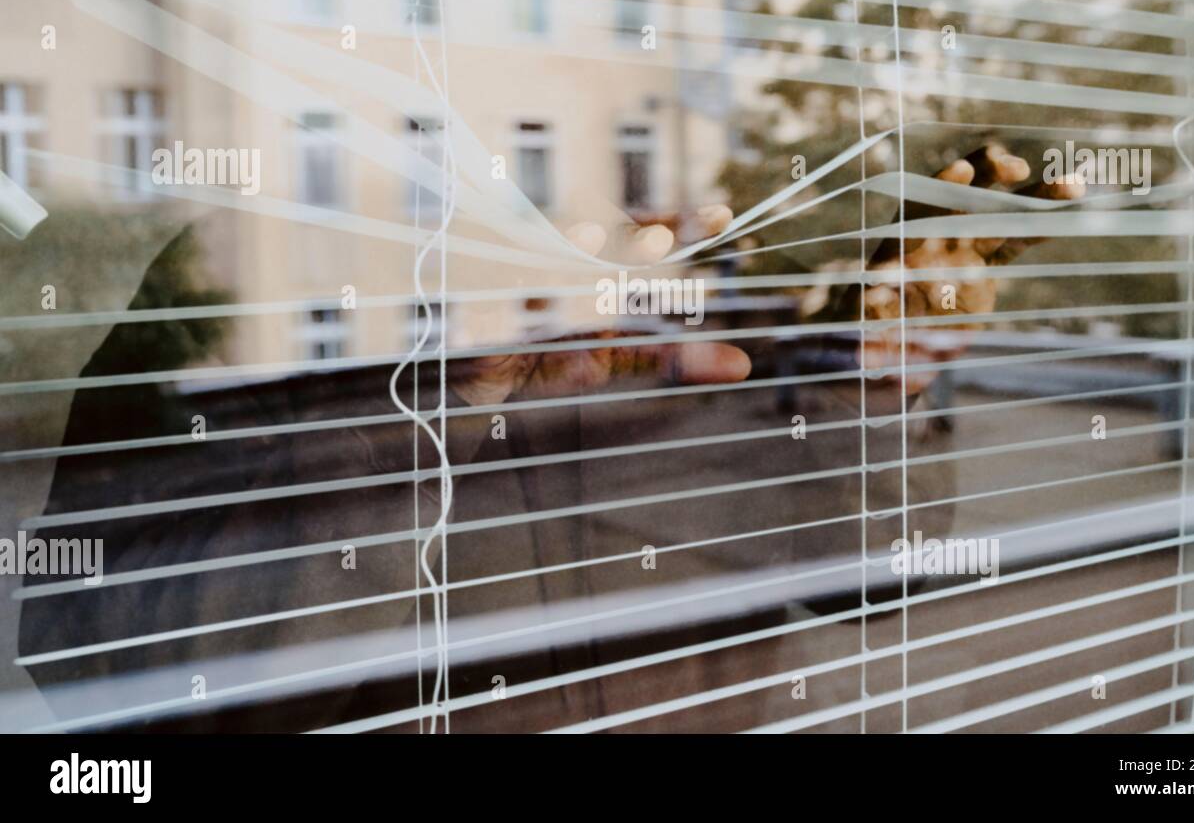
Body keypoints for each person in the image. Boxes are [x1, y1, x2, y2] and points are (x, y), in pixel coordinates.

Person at [18, 143, 1078, 731]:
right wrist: (433, 439)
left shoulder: (686, 397)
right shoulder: (238, 423)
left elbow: (872, 568)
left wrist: (878, 381)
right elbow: (113, 682)